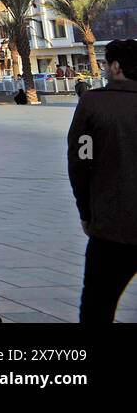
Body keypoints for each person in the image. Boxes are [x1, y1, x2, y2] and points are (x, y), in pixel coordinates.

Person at [67, 39, 137, 323]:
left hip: (112, 226)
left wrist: (86, 212)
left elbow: (80, 162)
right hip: (112, 225)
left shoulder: (93, 104)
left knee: (98, 306)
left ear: (117, 66)